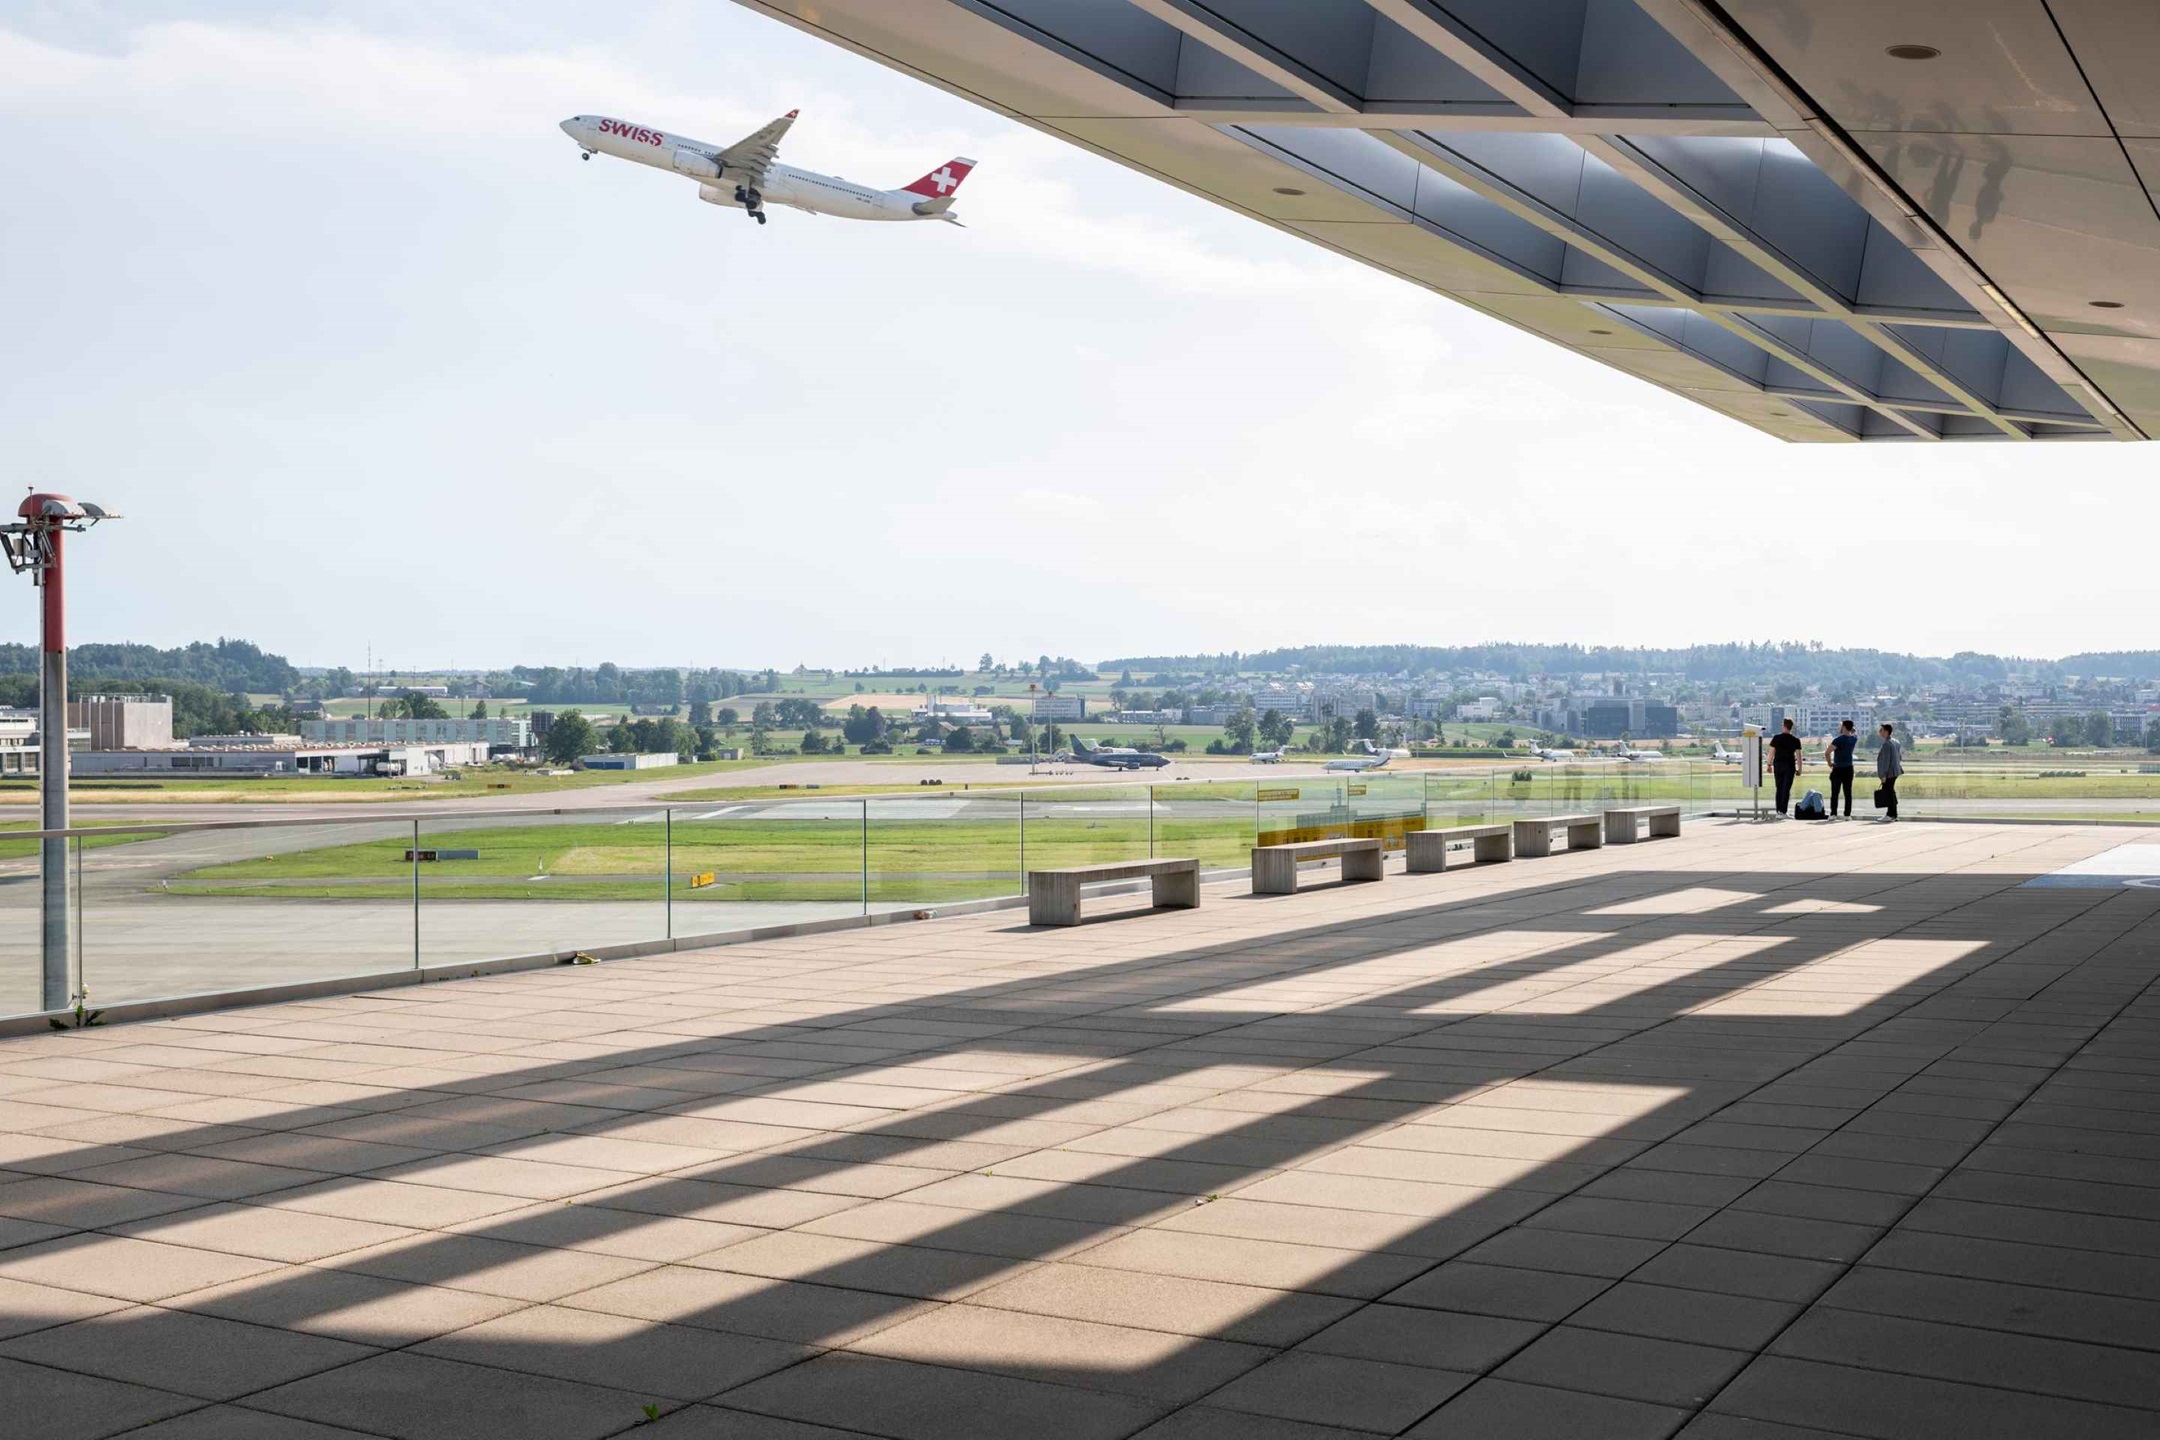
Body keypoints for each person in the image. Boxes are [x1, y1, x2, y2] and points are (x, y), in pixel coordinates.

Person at [1768, 717, 1803, 816]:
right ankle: (1783, 811)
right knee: (1786, 789)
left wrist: (1769, 764)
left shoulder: (1776, 738)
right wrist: (1799, 769)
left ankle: (1779, 810)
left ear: (1784, 726)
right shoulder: (1795, 740)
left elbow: (1771, 753)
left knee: (1779, 788)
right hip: (1789, 765)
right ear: (1791, 727)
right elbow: (1799, 756)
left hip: (1778, 765)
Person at [1824, 719, 1858, 820]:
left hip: (1838, 768)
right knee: (1848, 793)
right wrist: (1852, 730)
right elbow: (1854, 733)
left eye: (1841, 726)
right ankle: (1847, 814)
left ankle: (1833, 813)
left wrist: (1830, 763)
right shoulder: (1854, 739)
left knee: (1835, 792)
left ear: (1843, 727)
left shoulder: (1838, 740)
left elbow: (1827, 752)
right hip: (1849, 768)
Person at [1876, 722, 1904, 821]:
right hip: (1895, 770)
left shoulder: (1886, 744)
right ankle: (1894, 814)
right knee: (1891, 792)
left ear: (1886, 732)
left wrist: (1883, 774)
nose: (1879, 732)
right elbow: (1899, 757)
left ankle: (1890, 814)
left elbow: (1886, 761)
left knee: (1888, 792)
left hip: (1889, 773)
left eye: (1881, 730)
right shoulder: (1896, 742)